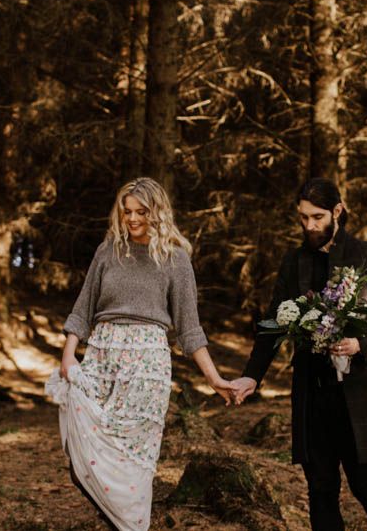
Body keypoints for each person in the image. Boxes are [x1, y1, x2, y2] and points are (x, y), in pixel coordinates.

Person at [45, 177, 234, 531]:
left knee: (131, 462)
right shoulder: (108, 251)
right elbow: (82, 309)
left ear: (157, 212)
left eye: (141, 212)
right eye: (126, 211)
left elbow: (189, 329)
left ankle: (130, 526)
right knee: (81, 458)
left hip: (146, 367)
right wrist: (68, 355)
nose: (132, 219)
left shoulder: (175, 259)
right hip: (101, 358)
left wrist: (214, 378)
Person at [230, 177, 367, 531]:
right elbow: (272, 324)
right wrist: (252, 376)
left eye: (317, 217)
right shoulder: (294, 262)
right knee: (321, 488)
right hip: (312, 391)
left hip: (359, 391)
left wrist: (361, 343)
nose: (309, 225)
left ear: (337, 211)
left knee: (366, 485)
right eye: (303, 217)